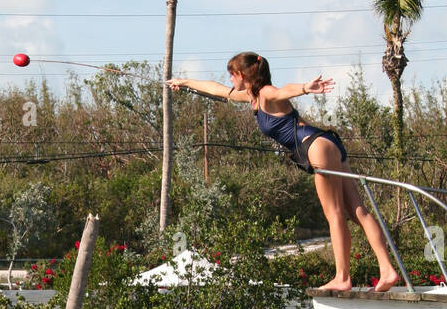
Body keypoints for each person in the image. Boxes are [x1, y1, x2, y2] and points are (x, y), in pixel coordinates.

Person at [168, 52, 400, 293]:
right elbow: (214, 89)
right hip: (327, 143)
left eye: (232, 74)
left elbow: (282, 91)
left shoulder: (265, 93)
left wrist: (305, 88)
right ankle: (387, 270)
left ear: (244, 74)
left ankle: (343, 277)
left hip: (315, 147)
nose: (229, 78)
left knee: (335, 213)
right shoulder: (251, 97)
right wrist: (182, 83)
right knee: (357, 210)